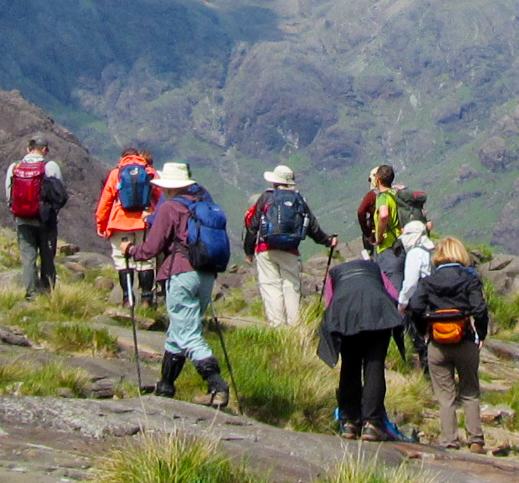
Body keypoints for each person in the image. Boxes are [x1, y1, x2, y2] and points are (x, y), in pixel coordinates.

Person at [131, 161, 236, 408]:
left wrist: (132, 251)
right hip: (206, 275)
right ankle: (166, 387)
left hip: (181, 272)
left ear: (168, 187)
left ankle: (217, 386)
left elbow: (152, 248)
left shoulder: (170, 208)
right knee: (178, 331)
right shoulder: (201, 204)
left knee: (188, 334)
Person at [318, 240, 409, 441]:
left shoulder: (335, 273)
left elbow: (330, 302)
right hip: (379, 312)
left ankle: (349, 423)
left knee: (349, 366)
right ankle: (372, 424)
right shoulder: (375, 269)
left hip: (346, 314)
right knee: (374, 366)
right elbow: (394, 294)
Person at [408, 236, 491, 450]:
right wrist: (480, 335)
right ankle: (475, 440)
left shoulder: (428, 281)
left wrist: (423, 331)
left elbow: (415, 306)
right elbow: (480, 309)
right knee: (470, 392)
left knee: (445, 396)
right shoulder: (470, 279)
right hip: (464, 341)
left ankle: (449, 440)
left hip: (437, 344)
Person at [244, 164, 338, 327]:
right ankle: (295, 325)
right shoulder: (298, 199)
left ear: (274, 182)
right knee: (291, 286)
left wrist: (249, 251)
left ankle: (277, 325)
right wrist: (328, 241)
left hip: (265, 248)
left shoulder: (267, 197)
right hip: (290, 249)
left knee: (270, 286)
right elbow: (312, 227)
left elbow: (253, 225)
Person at [95, 145, 159, 316]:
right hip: (144, 222)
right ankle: (147, 300)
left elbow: (106, 202)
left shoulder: (116, 174)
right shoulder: (149, 171)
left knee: (123, 262)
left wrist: (102, 225)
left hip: (120, 223)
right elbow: (161, 196)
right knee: (145, 261)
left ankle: (127, 299)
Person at [4, 136, 68, 298]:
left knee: (28, 257)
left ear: (28, 149)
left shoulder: (15, 167)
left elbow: (8, 193)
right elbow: (60, 194)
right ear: (44, 149)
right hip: (45, 220)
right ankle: (47, 292)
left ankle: (31, 294)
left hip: (22, 219)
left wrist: (17, 212)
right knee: (47, 256)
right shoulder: (50, 166)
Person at [355, 165, 425, 255]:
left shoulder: (380, 196)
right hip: (403, 241)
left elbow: (378, 214)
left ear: (378, 179)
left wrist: (375, 236)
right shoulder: (397, 193)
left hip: (388, 244)